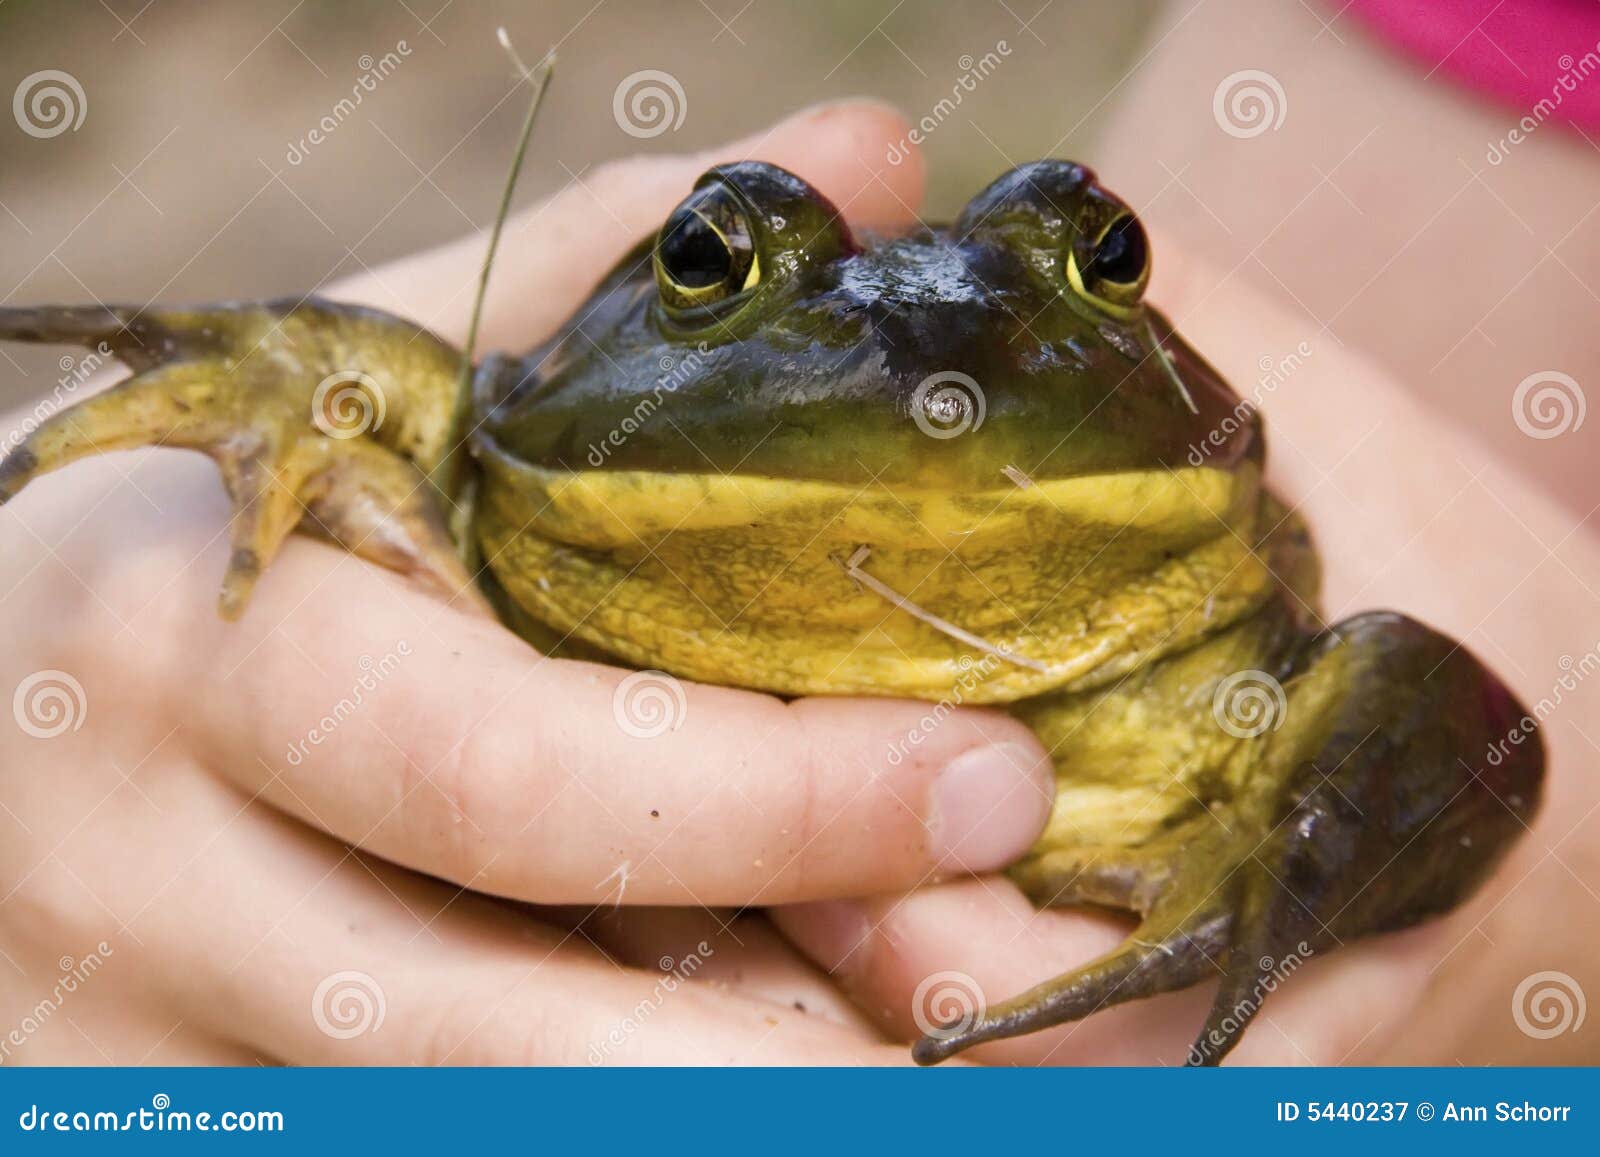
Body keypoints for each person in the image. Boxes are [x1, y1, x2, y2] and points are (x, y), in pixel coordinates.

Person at [0, 89, 1593, 1063]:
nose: (931, 373)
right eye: (710, 268)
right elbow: (392, 388)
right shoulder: (463, 463)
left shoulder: (1272, 674)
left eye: (1098, 272)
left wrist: (1521, 963)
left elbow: (1448, 713)